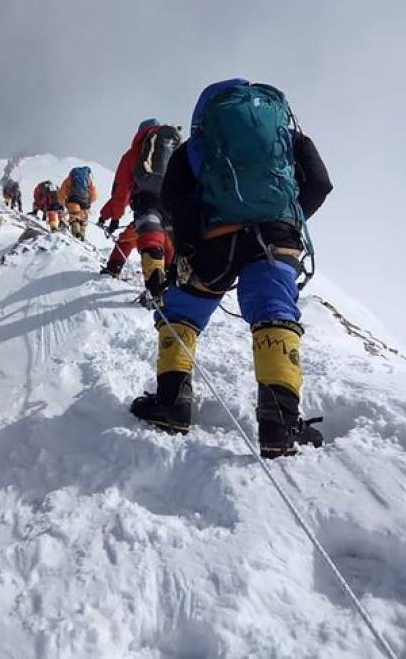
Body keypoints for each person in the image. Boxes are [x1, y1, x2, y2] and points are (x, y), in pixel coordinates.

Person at [130, 79, 333, 458]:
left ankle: (173, 404)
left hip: (216, 242)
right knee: (274, 314)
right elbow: (320, 184)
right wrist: (289, 220)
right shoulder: (287, 138)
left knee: (182, 314)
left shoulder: (199, 145)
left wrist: (190, 244)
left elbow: (174, 197)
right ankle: (280, 425)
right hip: (277, 239)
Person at [97, 119, 181, 294]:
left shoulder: (133, 154)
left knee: (138, 239)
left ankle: (150, 286)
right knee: (169, 242)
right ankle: (171, 286)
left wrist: (113, 217)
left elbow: (122, 191)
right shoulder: (175, 151)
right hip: (173, 205)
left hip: (146, 204)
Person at [58, 166, 97, 240]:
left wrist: (62, 202)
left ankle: (76, 234)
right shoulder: (89, 180)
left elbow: (62, 192)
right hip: (85, 202)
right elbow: (94, 194)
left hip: (72, 200)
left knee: (74, 218)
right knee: (83, 220)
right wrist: (89, 202)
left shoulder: (69, 179)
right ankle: (82, 237)